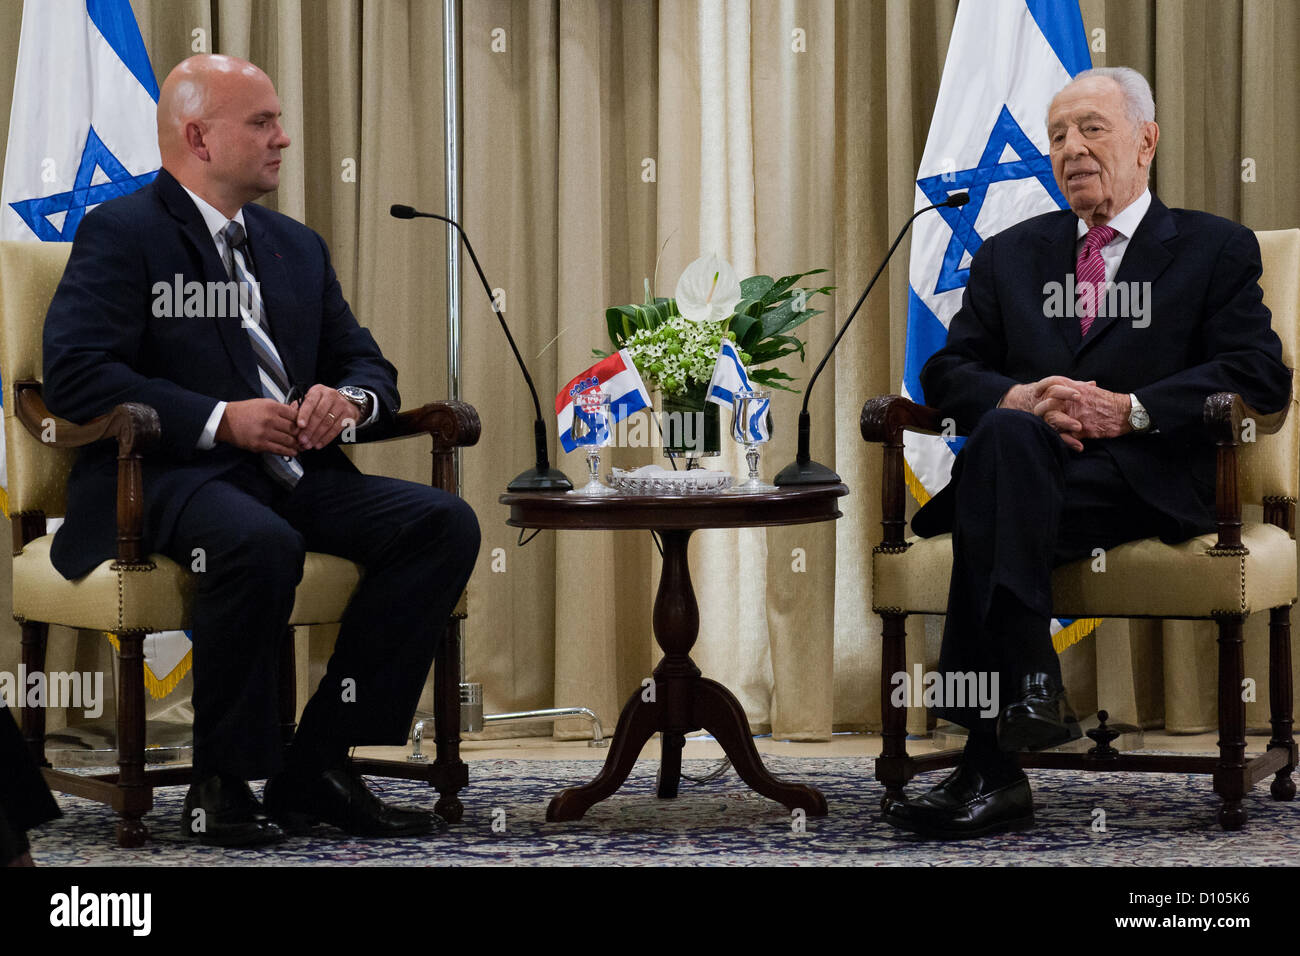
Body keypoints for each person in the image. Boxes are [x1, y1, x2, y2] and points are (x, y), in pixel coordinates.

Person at [42, 54, 480, 846]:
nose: (284, 137)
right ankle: (222, 781)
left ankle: (319, 760)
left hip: (294, 472)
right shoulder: (123, 232)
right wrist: (220, 418)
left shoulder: (294, 247)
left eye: (278, 119)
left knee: (439, 523)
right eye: (262, 122)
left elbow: (365, 362)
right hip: (170, 475)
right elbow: (76, 376)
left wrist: (348, 401)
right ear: (199, 137)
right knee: (256, 542)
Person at [882, 66, 1290, 838]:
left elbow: (1259, 374)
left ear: (1146, 140)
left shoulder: (1213, 247)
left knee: (993, 489)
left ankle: (989, 761)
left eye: (1092, 129)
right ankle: (1026, 696)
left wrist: (1130, 411)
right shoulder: (1010, 255)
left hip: (1149, 477)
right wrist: (1023, 397)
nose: (1071, 149)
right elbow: (947, 370)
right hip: (1035, 475)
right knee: (1006, 437)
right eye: (1059, 135)